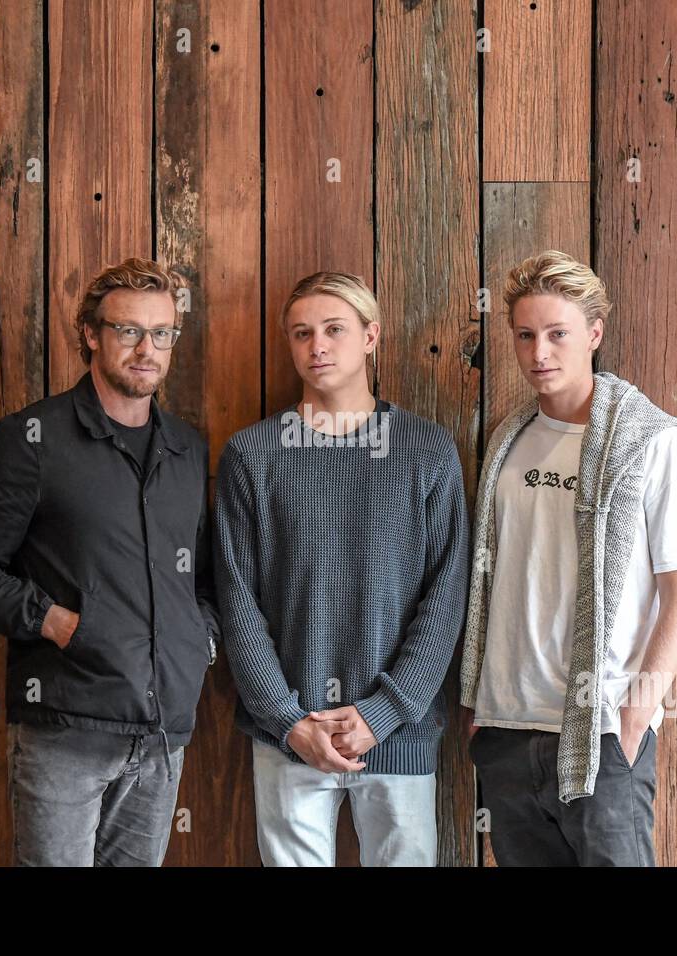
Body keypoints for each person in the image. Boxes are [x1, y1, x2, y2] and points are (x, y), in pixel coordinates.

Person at [0, 257, 220, 866]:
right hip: (66, 727)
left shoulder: (188, 448)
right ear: (91, 333)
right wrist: (57, 621)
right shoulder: (33, 439)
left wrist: (200, 641)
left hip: (164, 731)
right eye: (128, 330)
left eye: (161, 333)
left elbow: (200, 577)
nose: (147, 349)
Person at [460, 250, 677, 866]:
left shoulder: (652, 441)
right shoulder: (508, 441)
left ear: (594, 334)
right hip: (507, 727)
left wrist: (635, 716)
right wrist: (482, 707)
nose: (539, 353)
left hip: (601, 731)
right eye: (525, 336)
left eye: (558, 334)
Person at [214, 271, 469, 866]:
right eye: (301, 334)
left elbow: (447, 596)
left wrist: (384, 712)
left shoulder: (425, 449)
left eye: (334, 329)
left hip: (397, 731)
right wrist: (287, 719)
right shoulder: (252, 455)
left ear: (371, 336)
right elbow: (237, 599)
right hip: (290, 736)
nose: (317, 347)